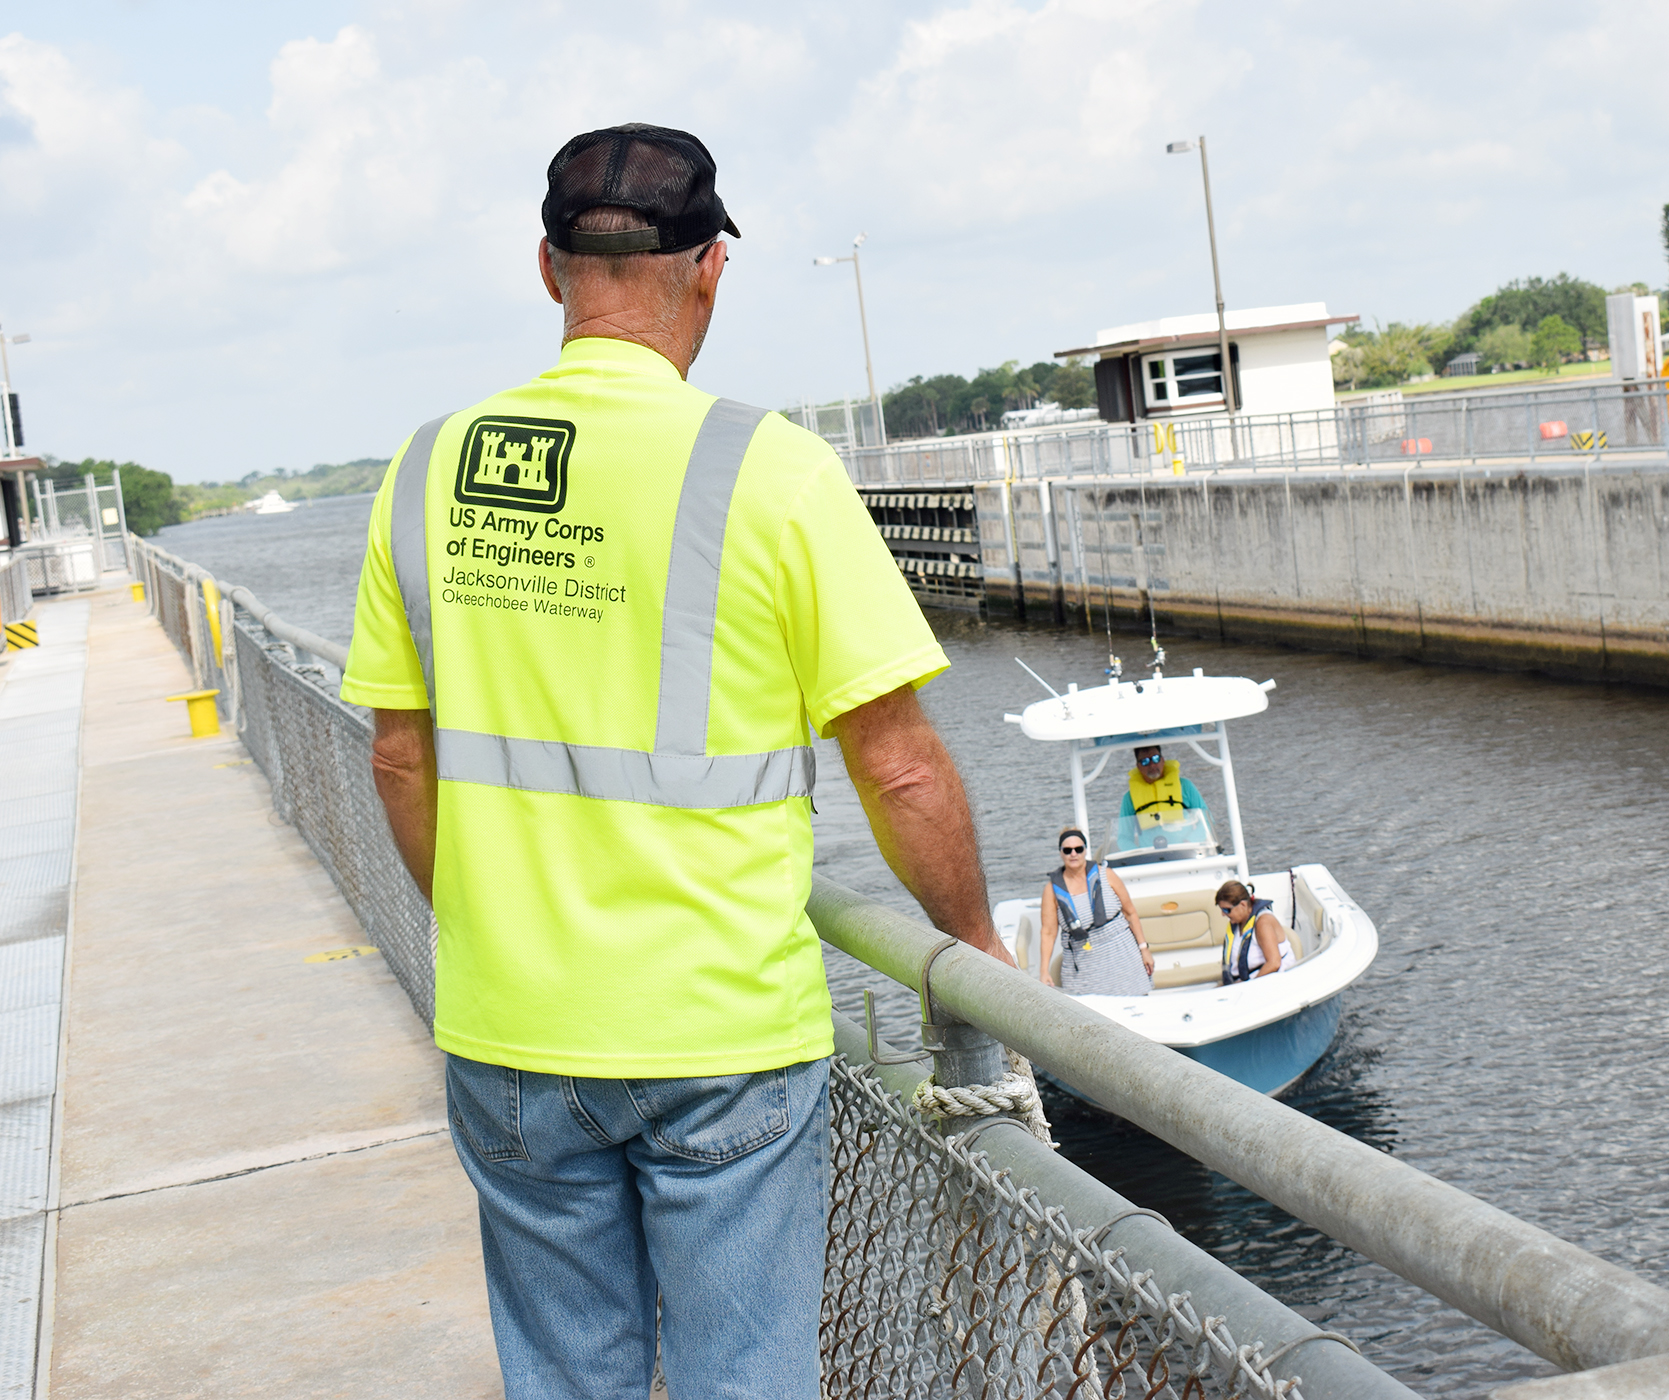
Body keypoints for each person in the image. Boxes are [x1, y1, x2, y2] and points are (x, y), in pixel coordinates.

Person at [342, 123, 1013, 1400]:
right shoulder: (776, 471)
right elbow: (899, 767)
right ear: (710, 267)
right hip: (720, 1030)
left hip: (513, 1025)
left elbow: (397, 762)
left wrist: (496, 931)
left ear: (550, 268)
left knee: (567, 1375)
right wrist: (974, 947)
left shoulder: (428, 468)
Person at [1040, 828, 1153, 995]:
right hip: (1083, 967)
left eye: (1078, 849)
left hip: (1123, 958)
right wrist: (1044, 971)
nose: (1073, 854)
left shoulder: (1107, 875)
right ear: (1061, 853)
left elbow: (1130, 913)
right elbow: (1048, 933)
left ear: (1085, 850)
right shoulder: (1051, 891)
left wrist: (1144, 949)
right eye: (1068, 850)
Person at [1113, 743, 1209, 852]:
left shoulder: (1185, 786)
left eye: (1156, 759)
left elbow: (1207, 821)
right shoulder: (1129, 798)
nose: (1152, 765)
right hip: (1150, 859)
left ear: (1163, 760)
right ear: (1138, 766)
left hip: (1187, 853)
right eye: (1145, 761)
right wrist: (1139, 854)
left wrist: (1190, 842)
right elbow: (1123, 838)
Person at [1215, 879, 1296, 984]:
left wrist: (1249, 987)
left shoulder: (1263, 923)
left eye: (1226, 910)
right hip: (1242, 982)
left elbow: (1274, 963)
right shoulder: (1237, 923)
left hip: (1269, 982)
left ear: (1243, 905)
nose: (1223, 914)